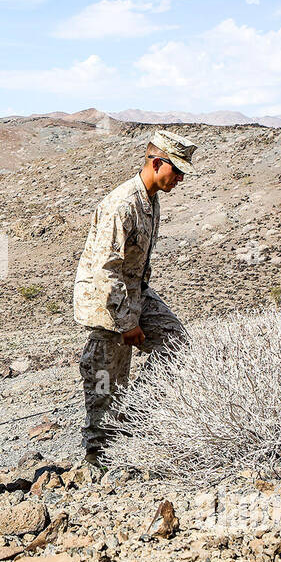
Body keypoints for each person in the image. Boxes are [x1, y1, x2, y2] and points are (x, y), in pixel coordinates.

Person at [73, 131, 195, 468]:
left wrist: (135, 311)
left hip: (132, 293)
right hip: (105, 301)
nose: (181, 178)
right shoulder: (123, 204)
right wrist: (127, 323)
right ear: (157, 163)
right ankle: (97, 455)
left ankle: (132, 414)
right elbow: (106, 270)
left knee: (176, 344)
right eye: (177, 169)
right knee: (104, 377)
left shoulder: (151, 200)